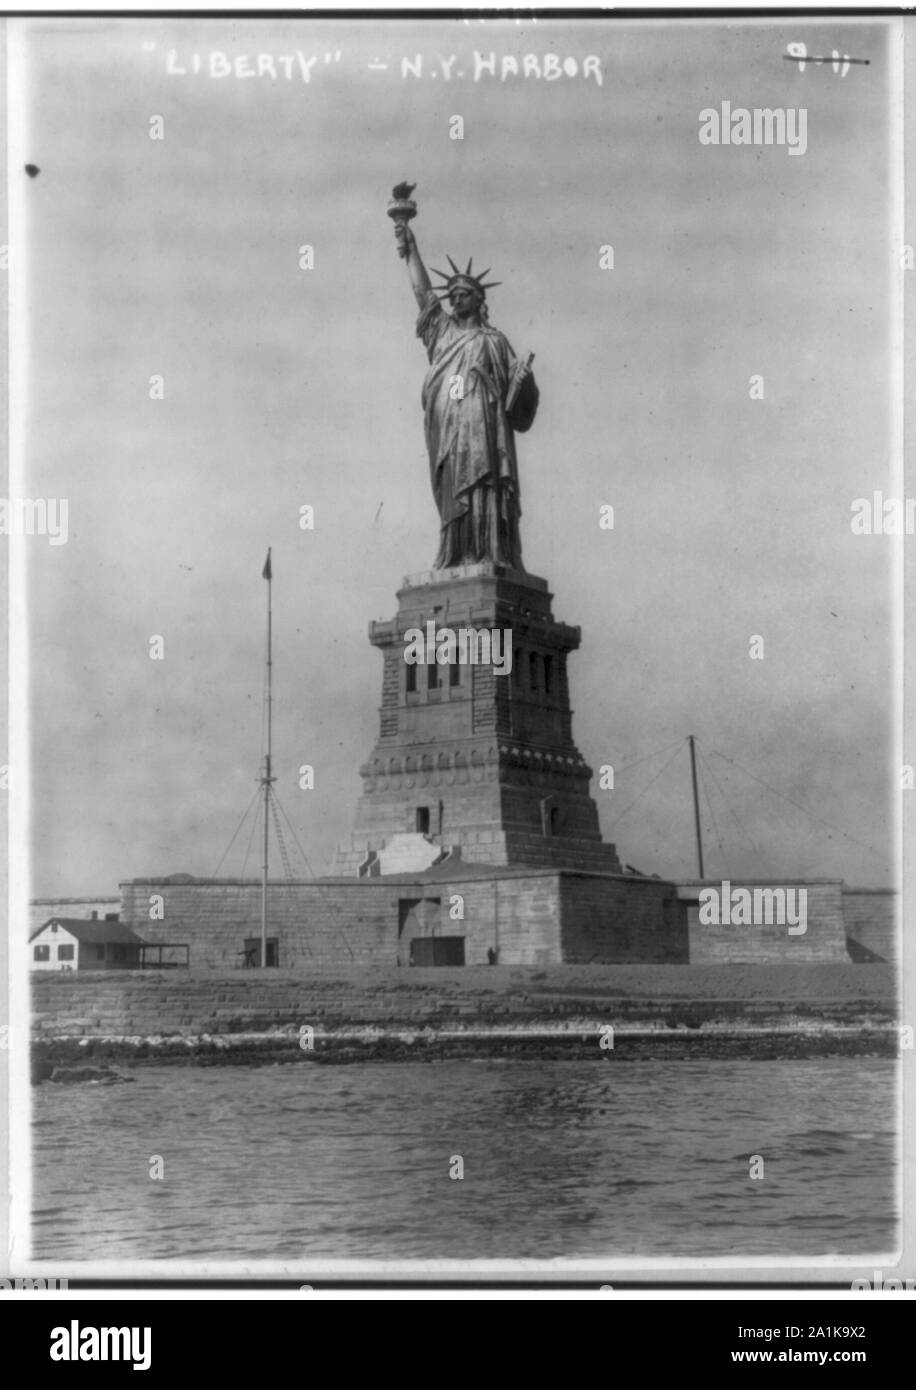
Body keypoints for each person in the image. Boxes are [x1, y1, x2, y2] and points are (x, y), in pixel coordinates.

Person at [395, 221, 539, 570]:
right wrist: (410, 245)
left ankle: (490, 552)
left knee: (485, 486)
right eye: (453, 294)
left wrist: (526, 382)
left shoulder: (495, 341)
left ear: (479, 299)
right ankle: (455, 554)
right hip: (447, 428)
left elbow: (517, 401)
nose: (455, 298)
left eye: (464, 293)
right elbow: (423, 294)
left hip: (487, 431)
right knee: (452, 491)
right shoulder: (441, 333)